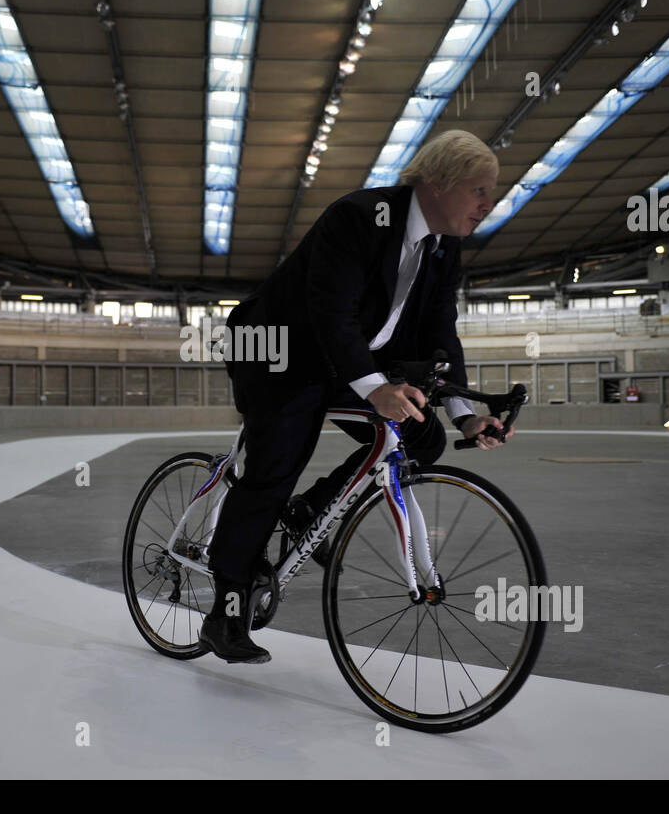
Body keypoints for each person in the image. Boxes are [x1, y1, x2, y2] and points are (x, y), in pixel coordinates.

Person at [199, 129, 515, 664]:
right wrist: (376, 389)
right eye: (479, 189)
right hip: (277, 352)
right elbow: (330, 312)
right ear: (439, 183)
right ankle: (224, 615)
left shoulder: (444, 247)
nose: (489, 203)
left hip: (342, 361)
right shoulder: (361, 216)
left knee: (421, 436)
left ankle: (310, 510)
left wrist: (465, 415)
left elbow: (441, 329)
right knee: (275, 468)